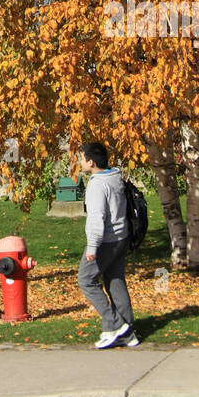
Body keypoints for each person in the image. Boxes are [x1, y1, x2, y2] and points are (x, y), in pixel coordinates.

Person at [78, 141, 139, 348]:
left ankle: (115, 324)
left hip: (105, 240)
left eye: (82, 158)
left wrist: (92, 248)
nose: (80, 162)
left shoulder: (97, 184)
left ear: (91, 161)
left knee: (86, 280)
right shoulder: (115, 177)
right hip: (122, 237)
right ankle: (127, 332)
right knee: (115, 280)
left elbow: (97, 218)